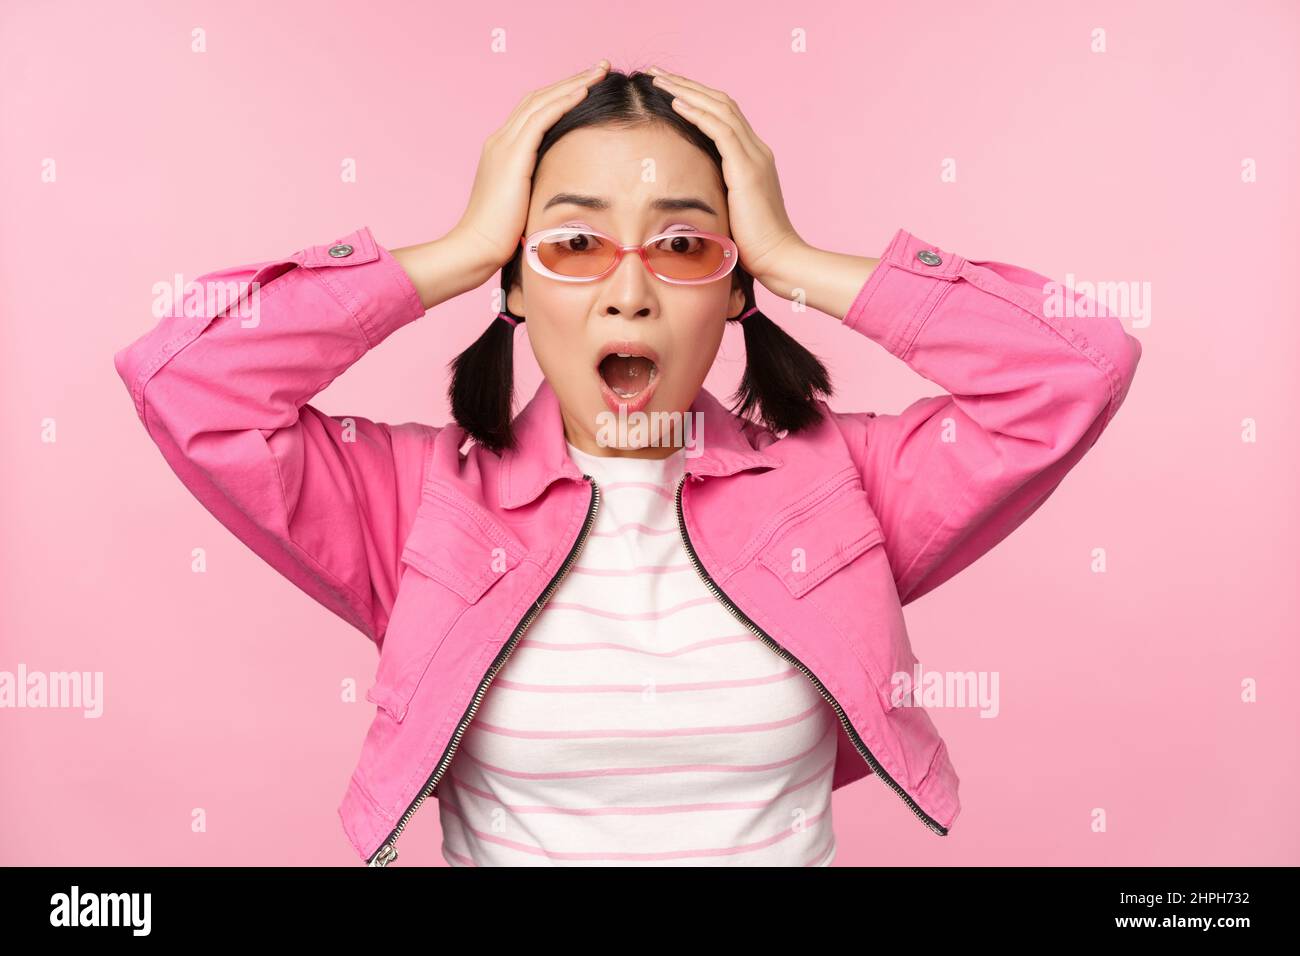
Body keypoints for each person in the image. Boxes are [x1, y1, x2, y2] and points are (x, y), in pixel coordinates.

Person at [113, 60, 1142, 866]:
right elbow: (188, 380)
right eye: (573, 244)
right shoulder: (419, 506)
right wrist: (460, 249)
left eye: (685, 247)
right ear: (516, 285)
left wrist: (791, 258)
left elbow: (1076, 365)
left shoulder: (847, 489)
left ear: (733, 292)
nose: (629, 291)